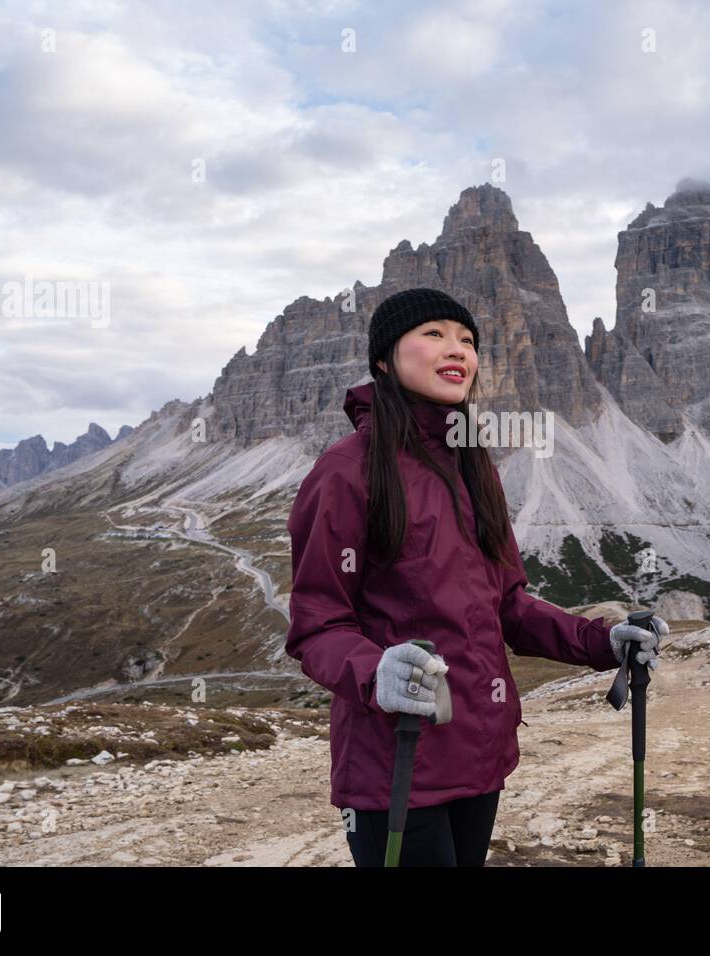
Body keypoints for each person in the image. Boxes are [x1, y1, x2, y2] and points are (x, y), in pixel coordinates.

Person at [285, 286, 668, 867]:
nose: (456, 349)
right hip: (397, 757)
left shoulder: (472, 467)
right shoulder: (345, 472)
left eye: (467, 339)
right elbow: (318, 624)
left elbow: (507, 605)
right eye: (433, 334)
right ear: (385, 359)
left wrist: (600, 640)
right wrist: (374, 671)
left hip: (480, 754)